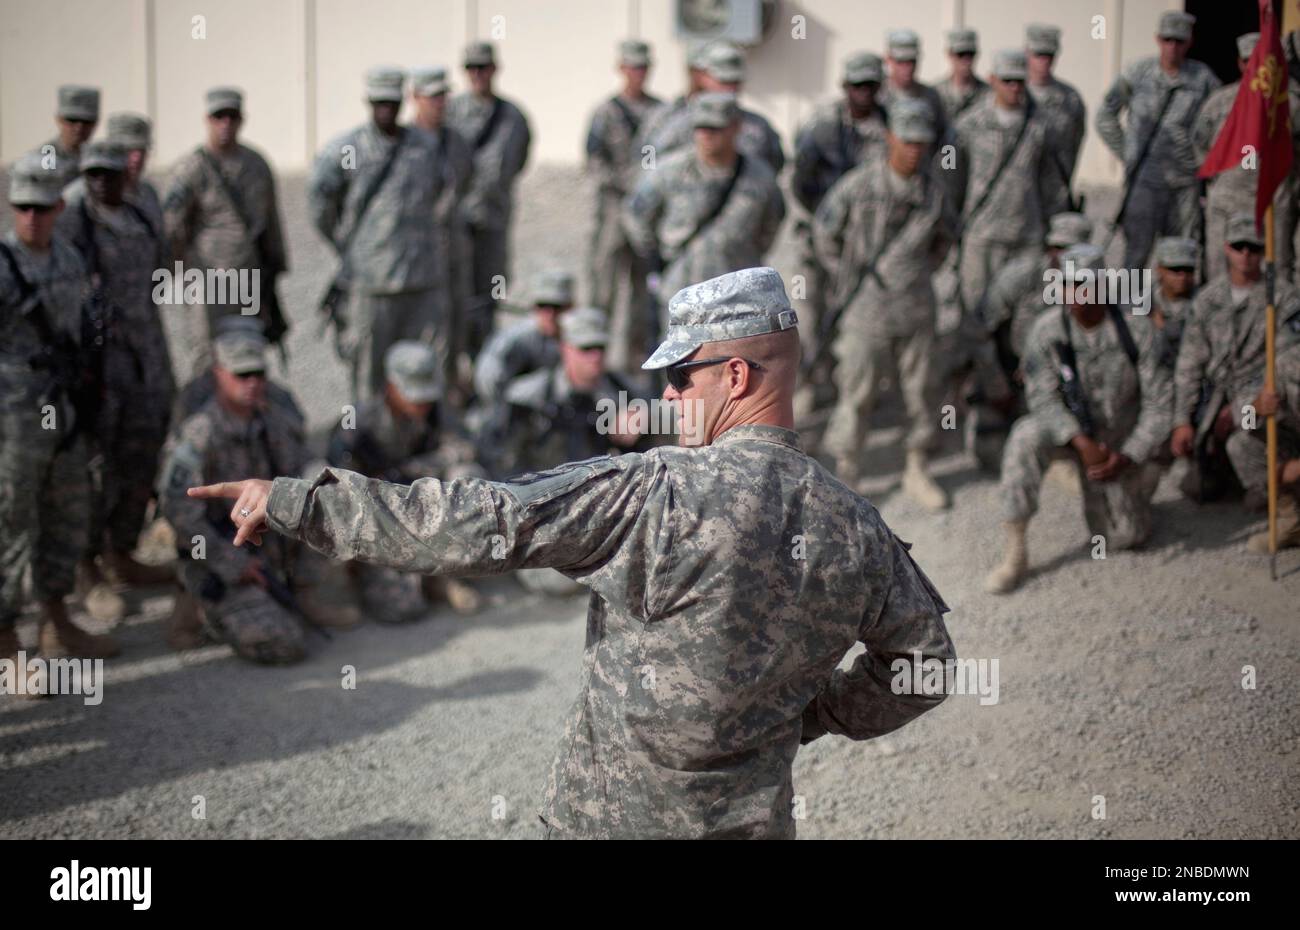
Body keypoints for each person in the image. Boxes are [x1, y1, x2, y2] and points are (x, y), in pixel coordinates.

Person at [189, 266, 956, 840]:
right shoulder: (854, 525)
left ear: (735, 374)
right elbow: (924, 667)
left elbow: (481, 519)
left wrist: (298, 501)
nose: (670, 396)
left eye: (681, 376)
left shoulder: (653, 491)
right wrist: (805, 716)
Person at [158, 326, 358, 663]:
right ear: (219, 375)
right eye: (241, 374)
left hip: (269, 542)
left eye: (259, 373)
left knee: (326, 499)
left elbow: (305, 463)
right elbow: (179, 511)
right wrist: (232, 563)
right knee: (284, 644)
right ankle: (199, 608)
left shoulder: (274, 419)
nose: (253, 382)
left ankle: (303, 592)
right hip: (223, 553)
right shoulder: (199, 435)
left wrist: (327, 486)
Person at [986, 244, 1171, 594]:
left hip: (1120, 442)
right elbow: (1041, 396)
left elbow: (1160, 406)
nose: (1073, 294)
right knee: (1026, 435)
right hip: (1074, 438)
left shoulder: (1136, 331)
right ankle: (1015, 549)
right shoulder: (1047, 330)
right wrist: (1079, 440)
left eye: (1083, 284)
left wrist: (1129, 455)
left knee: (1122, 537)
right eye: (1067, 284)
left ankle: (1138, 484)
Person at [1, 152, 119, 682]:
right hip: (12, 418)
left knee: (67, 512)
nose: (32, 218)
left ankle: (56, 621)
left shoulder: (69, 258)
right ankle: (6, 644)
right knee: (10, 526)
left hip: (61, 412)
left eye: (42, 208)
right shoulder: (3, 266)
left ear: (58, 208)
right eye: (23, 208)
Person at [813, 99, 956, 508]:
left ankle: (916, 465)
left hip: (915, 307)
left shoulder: (933, 194)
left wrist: (915, 274)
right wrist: (847, 273)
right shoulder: (859, 186)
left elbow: (944, 242)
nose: (914, 149)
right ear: (891, 137)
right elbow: (825, 233)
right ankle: (848, 471)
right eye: (907, 140)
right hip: (866, 309)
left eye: (921, 143)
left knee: (921, 390)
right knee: (856, 391)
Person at [58, 141, 176, 600]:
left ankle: (122, 551)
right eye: (94, 175)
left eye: (110, 173)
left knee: (142, 456)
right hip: (101, 368)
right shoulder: (74, 220)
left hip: (145, 357)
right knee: (96, 466)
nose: (102, 182)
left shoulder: (141, 215)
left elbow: (161, 277)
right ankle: (86, 566)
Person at [309, 68, 449, 400]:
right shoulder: (346, 149)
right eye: (379, 103)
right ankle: (367, 446)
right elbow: (320, 200)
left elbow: (444, 190)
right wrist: (346, 246)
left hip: (421, 281)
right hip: (372, 284)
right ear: (368, 103)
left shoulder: (425, 146)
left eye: (392, 102)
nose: (386, 109)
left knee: (424, 368)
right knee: (369, 375)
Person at [493, 307, 650, 595]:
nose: (595, 357)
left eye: (600, 348)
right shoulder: (528, 398)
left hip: (601, 512)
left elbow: (667, 445)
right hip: (542, 511)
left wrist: (643, 425)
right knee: (558, 581)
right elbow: (502, 468)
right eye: (585, 348)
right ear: (565, 348)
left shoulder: (622, 393)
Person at [327, 341, 484, 617]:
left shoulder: (438, 410)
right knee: (403, 608)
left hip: (427, 507)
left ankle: (445, 572)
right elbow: (337, 482)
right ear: (390, 386)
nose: (421, 403)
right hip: (381, 518)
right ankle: (362, 576)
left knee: (469, 475)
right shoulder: (358, 422)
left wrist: (409, 472)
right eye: (413, 394)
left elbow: (464, 449)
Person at [1172, 214, 1300, 525]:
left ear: (1263, 252)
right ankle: (1231, 472)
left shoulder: (1282, 298)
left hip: (1264, 399)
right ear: (1226, 248)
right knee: (1194, 483)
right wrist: (1182, 422)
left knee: (1241, 442)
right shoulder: (1208, 299)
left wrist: (1246, 406)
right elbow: (1190, 364)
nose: (1246, 254)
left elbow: (1287, 361)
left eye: (1254, 248)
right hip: (1215, 401)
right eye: (1239, 246)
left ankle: (1286, 499)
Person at [623, 93, 786, 333]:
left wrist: (741, 254)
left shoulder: (759, 178)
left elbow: (771, 223)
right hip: (682, 293)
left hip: (736, 298)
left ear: (735, 128)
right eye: (701, 127)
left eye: (716, 128)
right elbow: (636, 215)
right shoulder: (671, 170)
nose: (706, 135)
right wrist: (657, 256)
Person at [162, 86, 289, 376]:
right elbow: (172, 227)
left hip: (250, 278)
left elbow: (271, 221)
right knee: (208, 354)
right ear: (207, 120)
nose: (225, 124)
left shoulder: (257, 165)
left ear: (241, 120)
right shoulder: (191, 168)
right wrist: (171, 272)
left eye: (232, 117)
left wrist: (275, 271)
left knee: (248, 350)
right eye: (219, 117)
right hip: (208, 281)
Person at [791, 52, 889, 393]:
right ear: (845, 87)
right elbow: (801, 182)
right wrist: (829, 222)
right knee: (809, 314)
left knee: (858, 322)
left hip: (869, 246)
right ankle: (806, 386)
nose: (864, 93)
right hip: (820, 239)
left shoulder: (892, 128)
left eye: (871, 86)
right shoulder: (823, 126)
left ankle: (850, 391)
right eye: (857, 86)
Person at [1096, 10, 1220, 270]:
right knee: (1136, 254)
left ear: (1189, 43)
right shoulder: (1137, 73)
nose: (1172, 47)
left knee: (1182, 255)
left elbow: (1221, 122)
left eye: (1179, 41)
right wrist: (1128, 152)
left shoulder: (1203, 79)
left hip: (1184, 183)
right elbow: (1105, 116)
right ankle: (1129, 308)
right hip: (1144, 183)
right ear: (1157, 40)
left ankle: (1175, 310)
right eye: (1167, 40)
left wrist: (1204, 161)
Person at [972, 211, 1094, 471]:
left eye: (1075, 251)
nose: (1066, 258)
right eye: (1060, 249)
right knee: (992, 456)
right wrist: (997, 385)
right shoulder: (1019, 275)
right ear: (1049, 248)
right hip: (1009, 370)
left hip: (1059, 372)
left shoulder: (1093, 282)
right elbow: (980, 331)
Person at [446, 41, 532, 360]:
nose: (478, 74)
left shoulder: (513, 118)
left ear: (495, 69)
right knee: (457, 297)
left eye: (484, 67)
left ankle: (483, 365)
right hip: (456, 226)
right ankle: (456, 370)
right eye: (472, 68)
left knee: (489, 297)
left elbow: (518, 161)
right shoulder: (451, 113)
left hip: (493, 223)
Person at [1193, 32, 1300, 282]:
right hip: (1228, 203)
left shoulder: (1289, 104)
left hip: (1274, 202)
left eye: (1261, 61)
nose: (1255, 68)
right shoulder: (1219, 102)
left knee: (1277, 271)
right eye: (1248, 61)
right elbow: (1200, 146)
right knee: (1220, 271)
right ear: (1240, 64)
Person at [585, 40, 663, 372]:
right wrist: (625, 183)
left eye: (643, 67)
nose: (637, 74)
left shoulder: (661, 113)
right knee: (602, 290)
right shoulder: (605, 113)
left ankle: (637, 366)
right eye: (632, 67)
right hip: (614, 213)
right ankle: (593, 361)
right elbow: (593, 161)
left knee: (644, 295)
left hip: (648, 217)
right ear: (621, 69)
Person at [410, 66, 476, 396]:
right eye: (431, 97)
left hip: (453, 254)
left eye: (442, 96)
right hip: (417, 261)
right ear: (415, 98)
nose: (439, 103)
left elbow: (465, 183)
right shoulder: (407, 145)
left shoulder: (457, 142)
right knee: (423, 332)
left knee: (455, 327)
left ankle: (449, 397)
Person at [638, 41, 785, 174]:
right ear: (701, 76)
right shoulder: (667, 121)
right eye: (723, 80)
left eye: (736, 81)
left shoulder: (758, 126)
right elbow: (644, 167)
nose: (730, 89)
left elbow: (772, 170)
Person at [1024, 24, 1086, 186]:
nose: (1044, 61)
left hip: (1055, 187)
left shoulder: (1070, 99)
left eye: (1049, 55)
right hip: (1021, 189)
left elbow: (1076, 141)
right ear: (1027, 53)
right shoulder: (1013, 94)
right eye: (1039, 54)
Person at [878, 29, 948, 147]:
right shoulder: (878, 95)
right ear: (888, 59)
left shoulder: (931, 96)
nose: (907, 67)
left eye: (912, 61)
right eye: (901, 61)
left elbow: (945, 139)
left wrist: (948, 165)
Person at [105, 112, 164, 235]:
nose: (137, 158)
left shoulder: (149, 193)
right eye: (129, 149)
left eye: (142, 150)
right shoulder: (92, 195)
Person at [42, 85, 100, 191]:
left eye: (86, 121)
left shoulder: (98, 157)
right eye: (72, 120)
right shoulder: (48, 154)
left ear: (95, 123)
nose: (79, 128)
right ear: (59, 119)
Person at [936, 29, 989, 123]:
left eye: (970, 54)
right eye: (961, 54)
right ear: (950, 55)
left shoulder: (988, 93)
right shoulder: (936, 93)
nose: (966, 60)